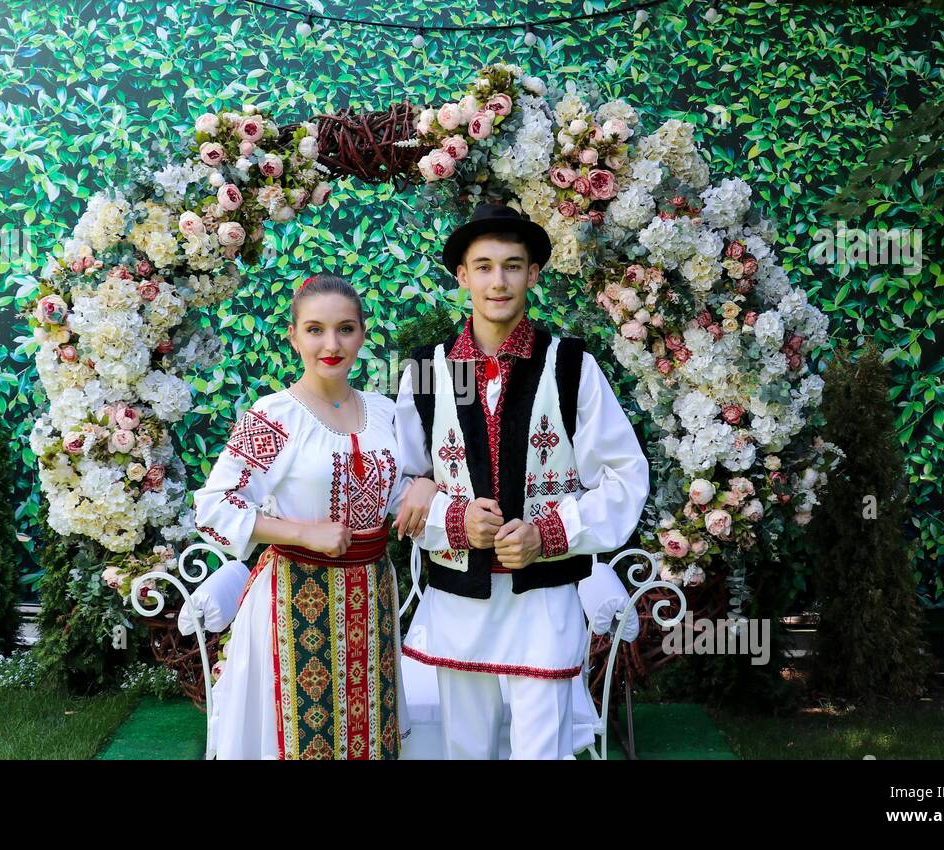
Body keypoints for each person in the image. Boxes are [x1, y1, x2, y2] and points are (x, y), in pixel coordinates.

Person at [393, 202, 650, 759]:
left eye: (513, 265)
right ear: (462, 276)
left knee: (543, 748)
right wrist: (450, 518)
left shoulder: (569, 366)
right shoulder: (434, 370)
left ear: (534, 274)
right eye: (483, 266)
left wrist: (549, 534)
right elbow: (403, 475)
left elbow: (625, 476)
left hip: (545, 595)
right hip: (459, 596)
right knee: (466, 748)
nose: (498, 280)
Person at [190, 272, 416, 759]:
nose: (331, 344)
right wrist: (302, 532)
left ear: (362, 332)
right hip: (293, 597)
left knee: (367, 729)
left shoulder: (385, 412)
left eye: (345, 329)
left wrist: (427, 485)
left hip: (371, 597)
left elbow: (401, 490)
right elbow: (214, 505)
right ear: (293, 337)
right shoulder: (275, 416)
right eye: (314, 329)